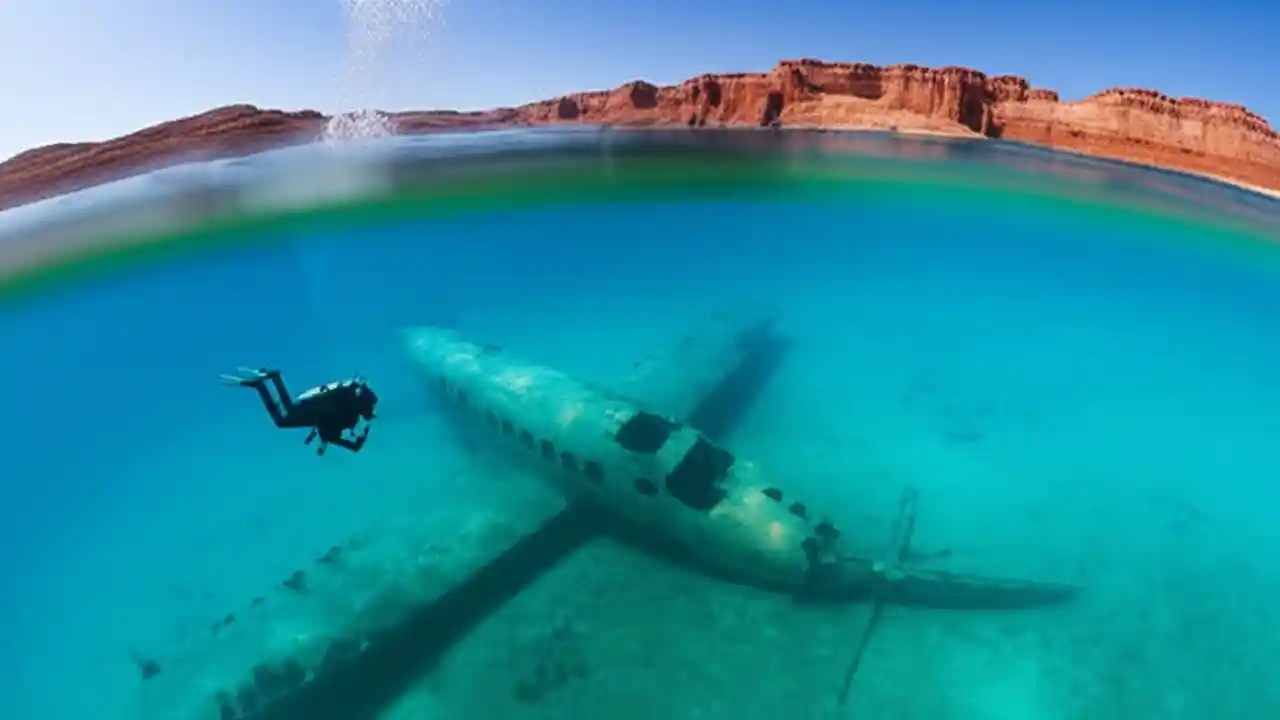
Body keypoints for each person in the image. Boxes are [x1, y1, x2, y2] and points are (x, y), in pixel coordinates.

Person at [219, 367, 378, 455]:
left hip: (321, 405)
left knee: (288, 412)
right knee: (284, 418)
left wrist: (360, 437)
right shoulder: (345, 421)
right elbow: (333, 434)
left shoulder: (349, 415)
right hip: (321, 409)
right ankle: (267, 382)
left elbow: (328, 431)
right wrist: (358, 439)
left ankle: (267, 382)